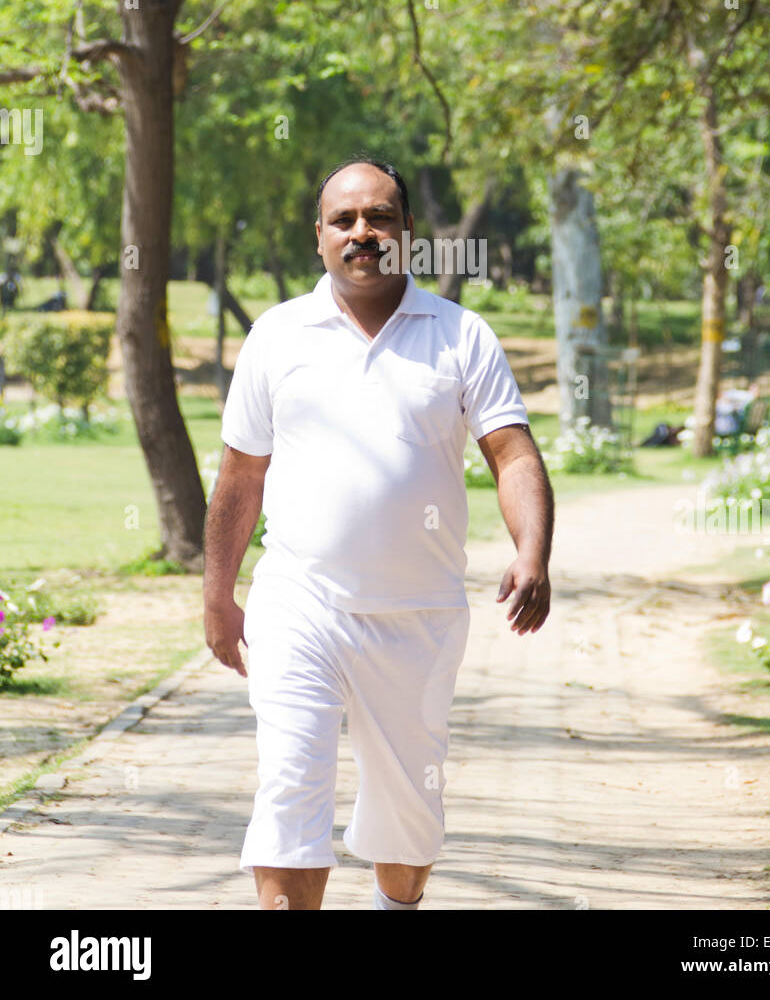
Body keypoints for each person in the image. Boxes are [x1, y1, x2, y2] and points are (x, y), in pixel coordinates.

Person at [203, 158, 554, 911]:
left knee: (409, 826)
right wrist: (216, 596)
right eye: (345, 220)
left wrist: (532, 553)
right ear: (320, 238)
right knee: (291, 788)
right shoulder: (277, 335)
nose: (363, 232)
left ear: (407, 233)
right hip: (300, 604)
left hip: (418, 619)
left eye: (380, 218)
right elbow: (240, 478)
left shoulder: (461, 335)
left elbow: (513, 454)